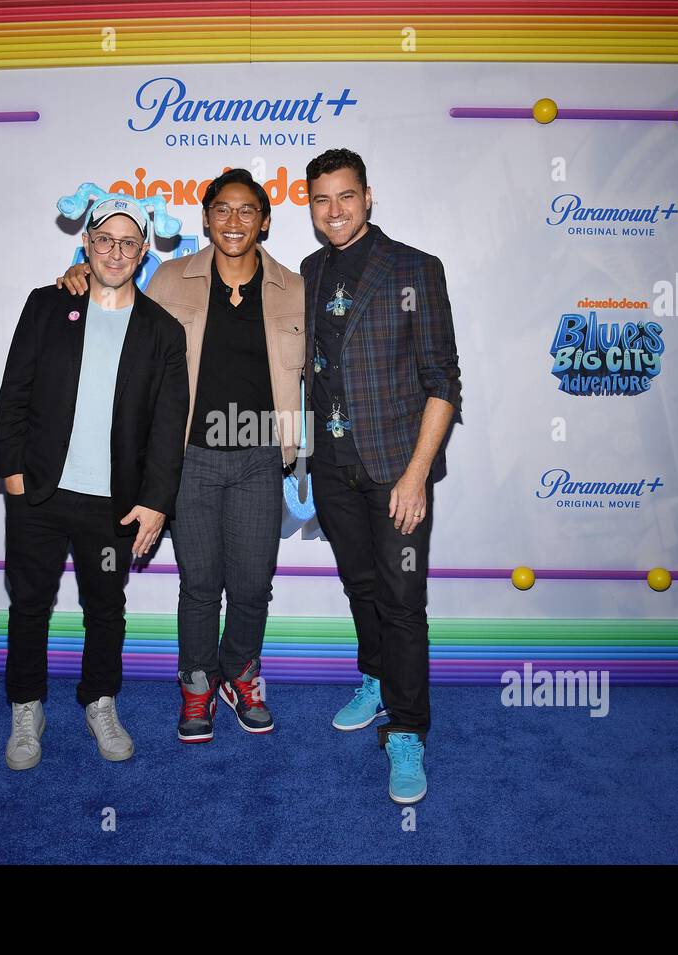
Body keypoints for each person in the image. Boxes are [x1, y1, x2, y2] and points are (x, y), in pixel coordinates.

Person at [56, 169, 305, 743]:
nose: (234, 221)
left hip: (262, 454)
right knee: (199, 582)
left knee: (251, 582)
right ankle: (196, 684)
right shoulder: (167, 279)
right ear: (206, 219)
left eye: (247, 211)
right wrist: (78, 274)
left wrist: (302, 450)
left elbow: (313, 376)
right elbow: (115, 308)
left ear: (264, 220)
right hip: (190, 455)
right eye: (222, 209)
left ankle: (240, 673)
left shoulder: (295, 287)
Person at [0, 195, 188, 769]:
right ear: (87, 243)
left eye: (129, 243)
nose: (115, 252)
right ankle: (26, 706)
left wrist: (155, 503)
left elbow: (167, 427)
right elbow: (14, 396)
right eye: (104, 240)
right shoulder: (47, 305)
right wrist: (13, 479)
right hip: (41, 495)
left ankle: (100, 701)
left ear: (143, 251)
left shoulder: (163, 331)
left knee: (106, 607)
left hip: (112, 506)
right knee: (29, 605)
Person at [300, 148, 461, 804]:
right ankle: (374, 678)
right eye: (320, 199)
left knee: (401, 602)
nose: (333, 210)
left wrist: (416, 475)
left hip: (398, 469)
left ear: (369, 197)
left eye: (345, 196)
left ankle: (408, 729)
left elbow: (442, 382)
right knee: (360, 583)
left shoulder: (414, 268)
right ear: (309, 206)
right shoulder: (308, 271)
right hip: (334, 467)